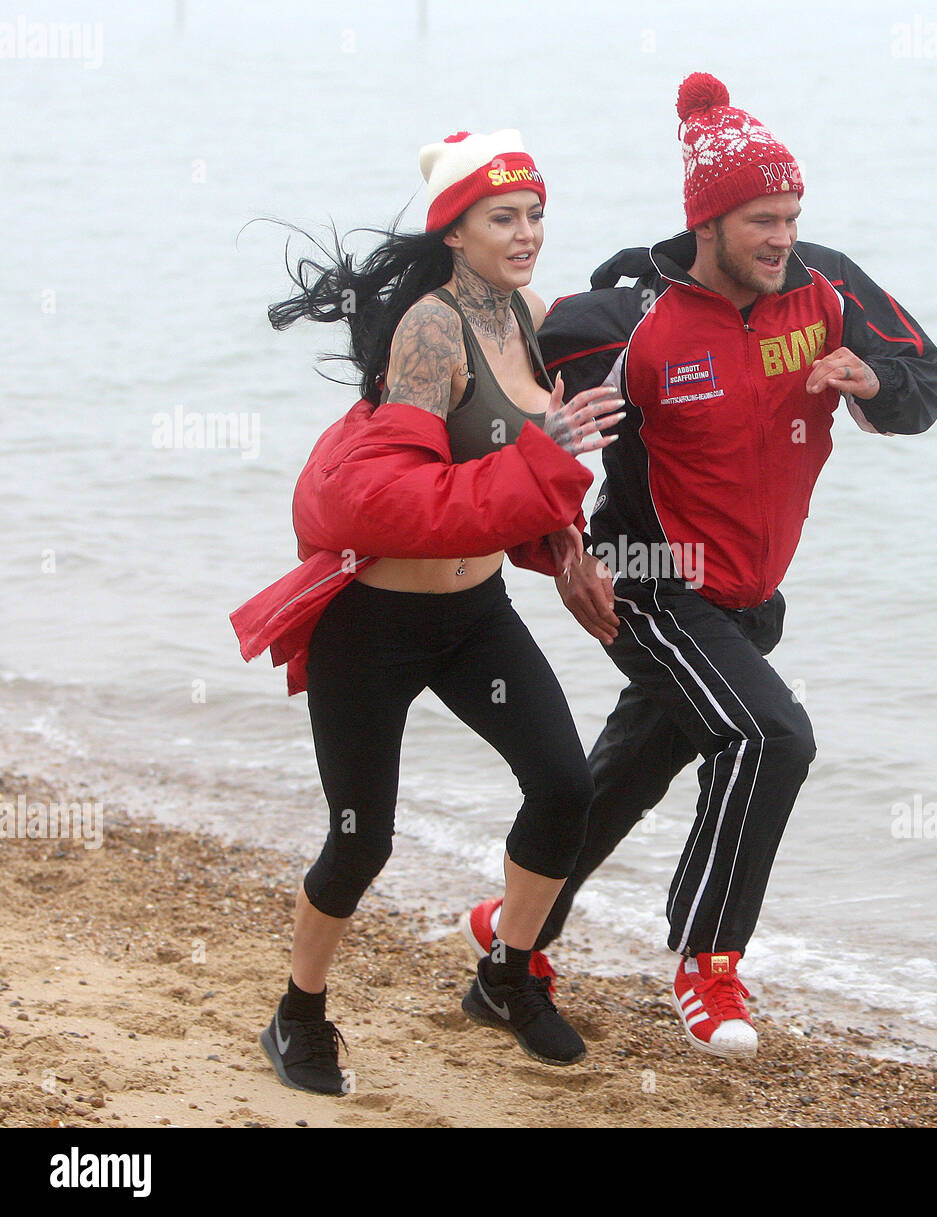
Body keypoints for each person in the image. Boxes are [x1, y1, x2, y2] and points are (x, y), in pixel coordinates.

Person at [461, 76, 937, 1058]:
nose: (783, 237)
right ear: (709, 221)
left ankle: (512, 929)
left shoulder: (827, 286)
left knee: (630, 771)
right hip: (650, 574)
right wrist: (564, 550)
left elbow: (924, 383)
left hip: (749, 594)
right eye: (763, 220)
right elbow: (541, 441)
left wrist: (875, 381)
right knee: (771, 736)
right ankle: (707, 963)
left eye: (792, 216)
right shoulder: (620, 321)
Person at [230, 130, 624, 1090]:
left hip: (474, 613)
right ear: (454, 230)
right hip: (377, 625)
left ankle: (508, 973)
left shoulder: (528, 314)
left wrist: (566, 550)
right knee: (361, 839)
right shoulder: (430, 331)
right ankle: (299, 1012)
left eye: (535, 213)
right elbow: (393, 497)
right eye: (503, 216)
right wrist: (549, 452)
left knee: (565, 789)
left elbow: (524, 481)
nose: (526, 232)